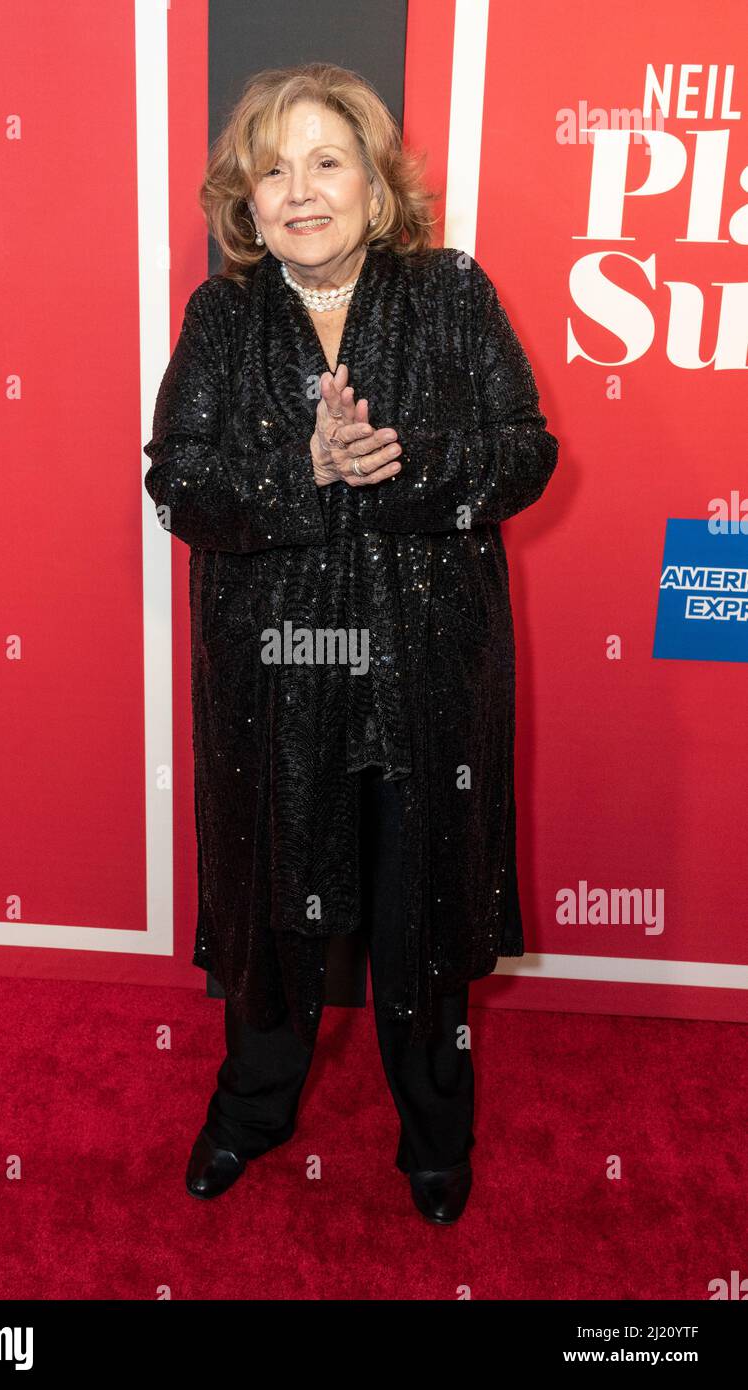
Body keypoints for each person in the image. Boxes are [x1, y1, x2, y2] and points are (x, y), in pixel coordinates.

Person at [143, 62, 559, 1224]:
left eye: (327, 160)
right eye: (272, 168)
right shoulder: (221, 317)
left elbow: (523, 453)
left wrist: (405, 465)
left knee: (421, 904)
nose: (298, 189)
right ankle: (251, 1111)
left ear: (378, 192)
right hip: (275, 675)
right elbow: (178, 484)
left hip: (425, 671)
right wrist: (305, 469)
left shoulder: (451, 294)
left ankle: (433, 1133)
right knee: (272, 899)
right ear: (246, 200)